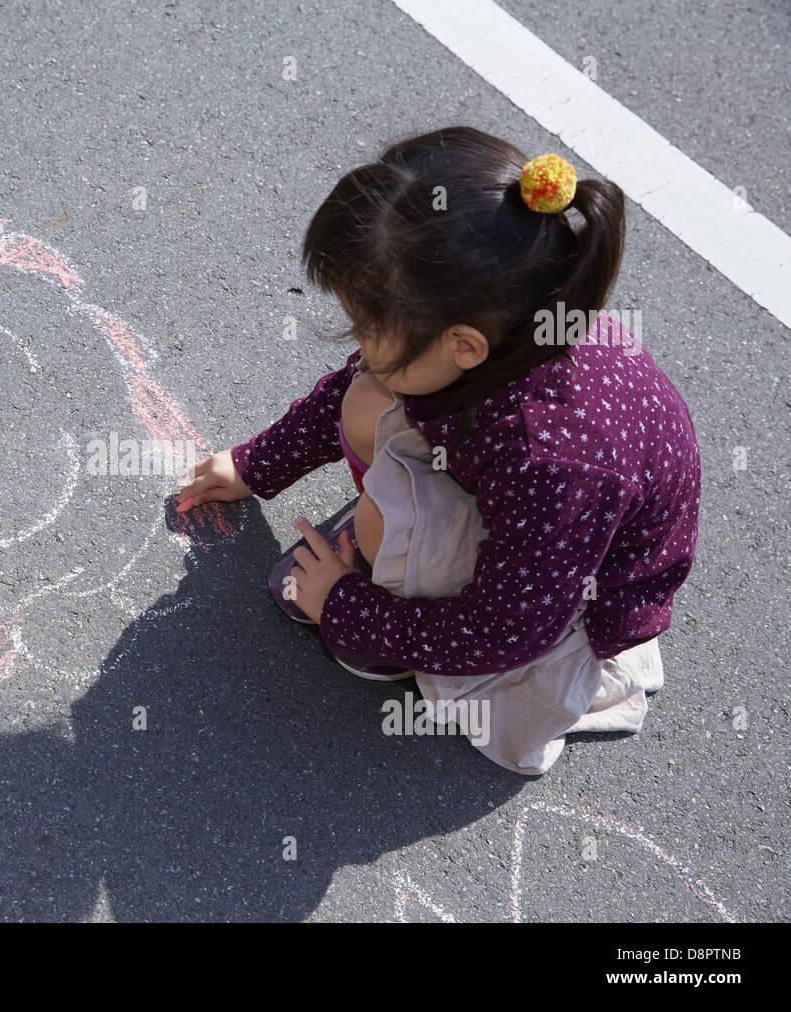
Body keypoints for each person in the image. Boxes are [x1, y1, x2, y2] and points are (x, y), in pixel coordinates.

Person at [176, 126, 701, 774]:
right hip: (541, 525)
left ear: (465, 346)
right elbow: (357, 382)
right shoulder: (514, 321)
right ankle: (403, 550)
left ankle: (401, 619)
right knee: (370, 396)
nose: (356, 344)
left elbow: (507, 628)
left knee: (376, 498)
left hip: (564, 611)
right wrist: (259, 464)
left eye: (368, 329)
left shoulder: (554, 461)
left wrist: (348, 609)